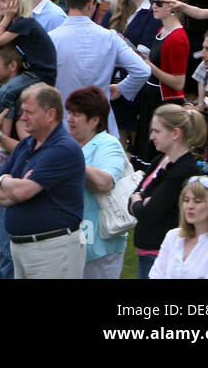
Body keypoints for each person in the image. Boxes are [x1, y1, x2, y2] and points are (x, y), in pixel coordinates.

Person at [0, 83, 87, 279]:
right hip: (23, 248)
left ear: (50, 114)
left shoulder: (62, 149)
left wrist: (6, 181)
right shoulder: (27, 144)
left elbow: (20, 192)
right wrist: (12, 185)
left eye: (28, 112)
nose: (23, 117)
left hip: (52, 251)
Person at [50, 0, 151, 136]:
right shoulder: (110, 37)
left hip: (64, 126)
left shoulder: (52, 39)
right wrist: (121, 88)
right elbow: (142, 70)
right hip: (100, 125)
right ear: (91, 4)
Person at [128, 103, 208, 279]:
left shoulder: (183, 170)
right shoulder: (159, 160)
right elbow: (133, 199)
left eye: (157, 131)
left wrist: (139, 200)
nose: (151, 137)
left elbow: (149, 213)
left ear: (175, 133)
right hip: (147, 247)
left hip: (161, 251)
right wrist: (140, 201)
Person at [64, 86, 132, 280]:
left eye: (76, 115)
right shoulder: (71, 144)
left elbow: (105, 182)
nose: (69, 119)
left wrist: (72, 161)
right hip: (74, 236)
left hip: (101, 240)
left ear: (94, 120)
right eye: (70, 113)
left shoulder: (107, 143)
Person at [150, 176, 208, 279]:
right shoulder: (173, 237)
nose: (190, 206)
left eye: (197, 201)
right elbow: (156, 274)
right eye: (186, 200)